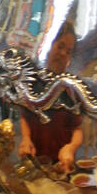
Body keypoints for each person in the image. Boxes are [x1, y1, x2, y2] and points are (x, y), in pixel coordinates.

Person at [18, 21, 83, 171]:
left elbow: (78, 129)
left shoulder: (69, 88)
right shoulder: (32, 82)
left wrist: (71, 147)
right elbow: (24, 117)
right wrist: (26, 138)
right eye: (60, 46)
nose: (63, 54)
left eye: (68, 51)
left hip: (62, 162)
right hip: (35, 160)